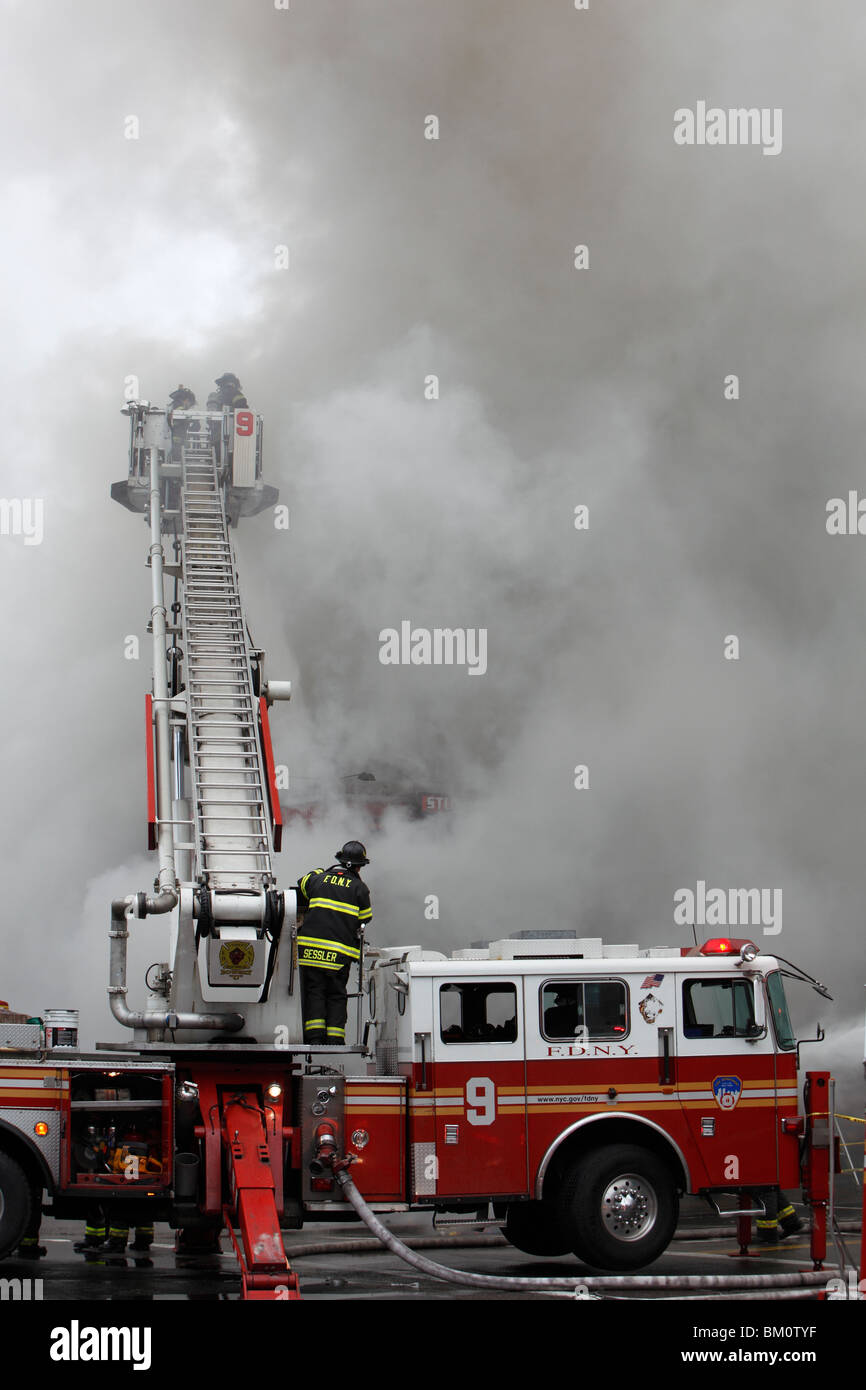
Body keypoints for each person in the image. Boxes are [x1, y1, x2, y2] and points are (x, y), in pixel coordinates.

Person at [297, 841, 372, 1045]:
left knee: (314, 993)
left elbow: (302, 882)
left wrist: (319, 871)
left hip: (310, 952)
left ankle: (314, 1038)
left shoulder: (319, 879)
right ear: (358, 866)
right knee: (337, 995)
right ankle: (335, 1039)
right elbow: (366, 918)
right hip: (338, 956)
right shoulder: (359, 888)